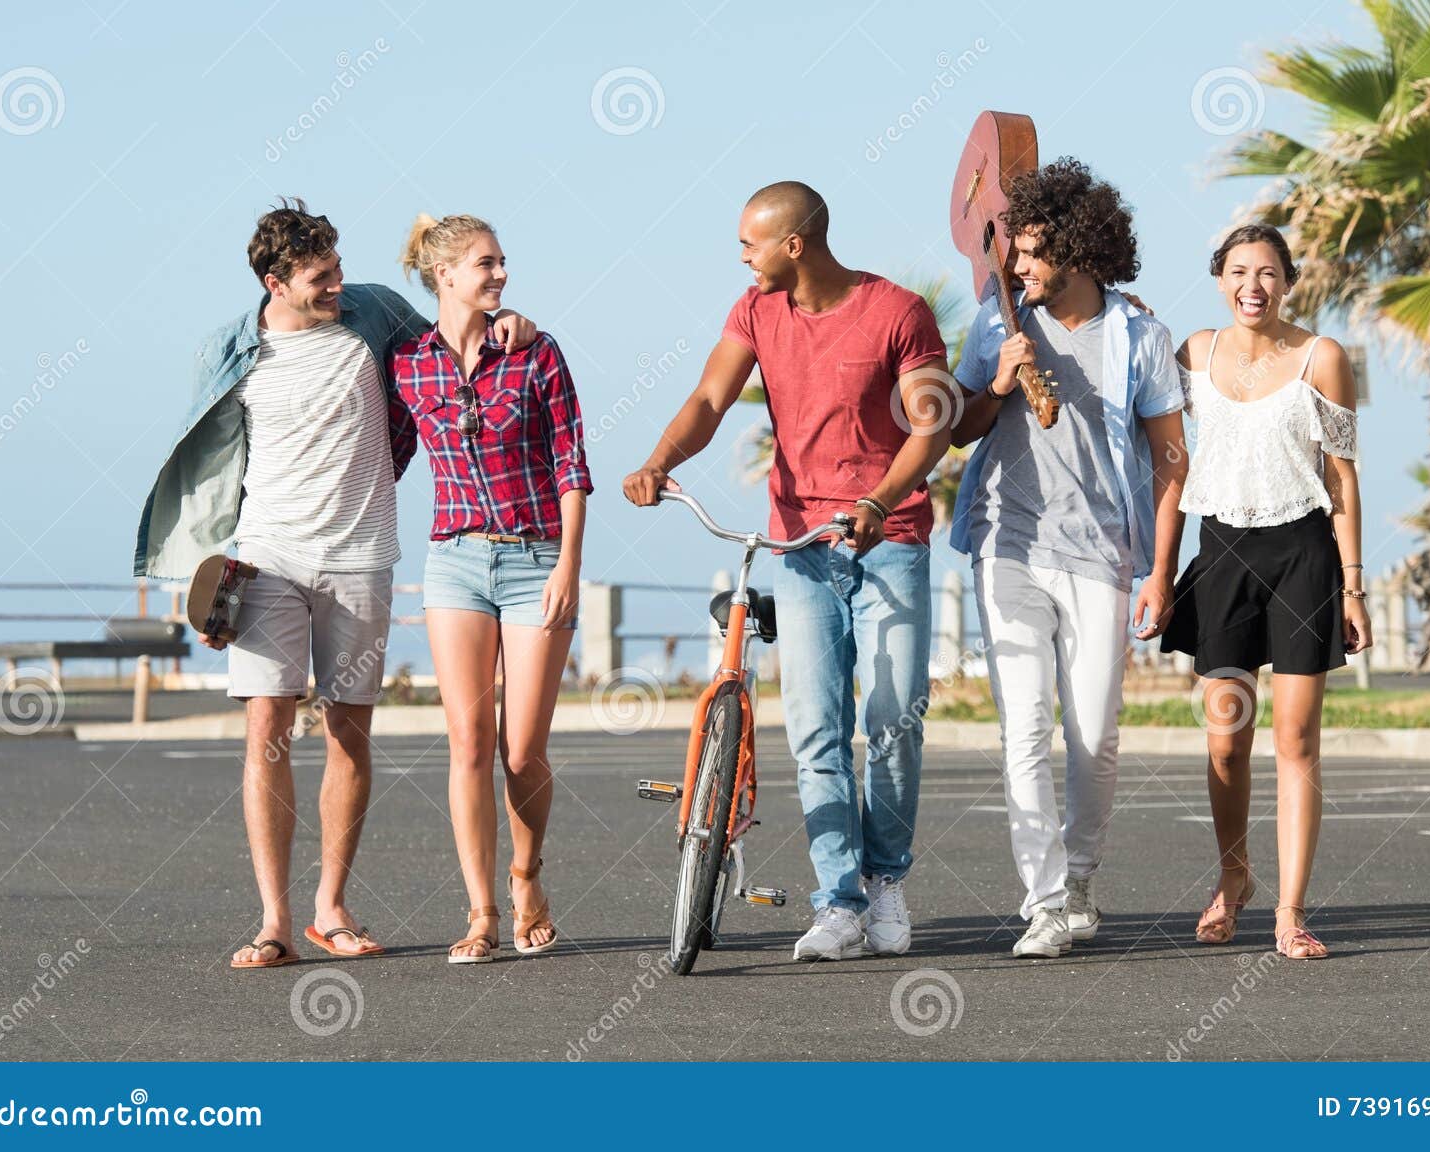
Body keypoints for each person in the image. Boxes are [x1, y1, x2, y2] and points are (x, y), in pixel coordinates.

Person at [133, 198, 534, 970]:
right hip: (267, 557)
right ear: (273, 281)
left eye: (339, 268)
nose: (338, 286)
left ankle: (331, 907)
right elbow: (211, 474)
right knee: (267, 731)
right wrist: (204, 584)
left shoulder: (374, 314)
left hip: (360, 558)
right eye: (320, 277)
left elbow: (457, 340)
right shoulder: (227, 348)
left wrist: (508, 318)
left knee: (349, 731)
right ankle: (274, 920)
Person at [622, 182, 954, 961]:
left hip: (889, 540)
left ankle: (886, 884)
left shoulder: (898, 312)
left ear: (794, 244)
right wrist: (658, 461)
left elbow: (933, 425)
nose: (742, 256)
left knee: (893, 721)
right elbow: (711, 396)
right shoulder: (756, 310)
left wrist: (877, 501)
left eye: (751, 243)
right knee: (815, 731)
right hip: (800, 546)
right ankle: (838, 903)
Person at [948, 158, 1189, 959]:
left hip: (1101, 556)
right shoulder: (998, 323)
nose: (1017, 267)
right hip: (1007, 543)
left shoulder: (1141, 338)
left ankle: (1079, 875)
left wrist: (1158, 568)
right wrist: (997, 387)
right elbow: (955, 427)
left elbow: (1170, 461)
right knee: (1025, 728)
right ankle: (1045, 899)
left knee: (1095, 735)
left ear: (1083, 249)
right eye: (1013, 252)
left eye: (1033, 253)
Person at [1161, 222, 1371, 960]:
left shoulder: (1324, 357)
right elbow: (1169, 455)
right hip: (1220, 551)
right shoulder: (1193, 353)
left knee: (1297, 739)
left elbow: (1342, 476)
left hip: (1304, 555)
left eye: (1270, 273)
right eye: (1240, 271)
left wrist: (1353, 586)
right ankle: (1234, 877)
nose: (1255, 285)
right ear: (1220, 278)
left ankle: (1290, 912)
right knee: (1226, 741)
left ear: (1289, 281)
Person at [395, 213, 590, 963]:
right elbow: (387, 451)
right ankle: (479, 913)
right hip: (452, 561)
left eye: (503, 261)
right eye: (485, 263)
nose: (501, 273)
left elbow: (571, 463)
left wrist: (570, 564)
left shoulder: (537, 353)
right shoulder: (407, 362)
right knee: (468, 744)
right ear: (444, 275)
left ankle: (526, 877)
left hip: (538, 557)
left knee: (521, 751)